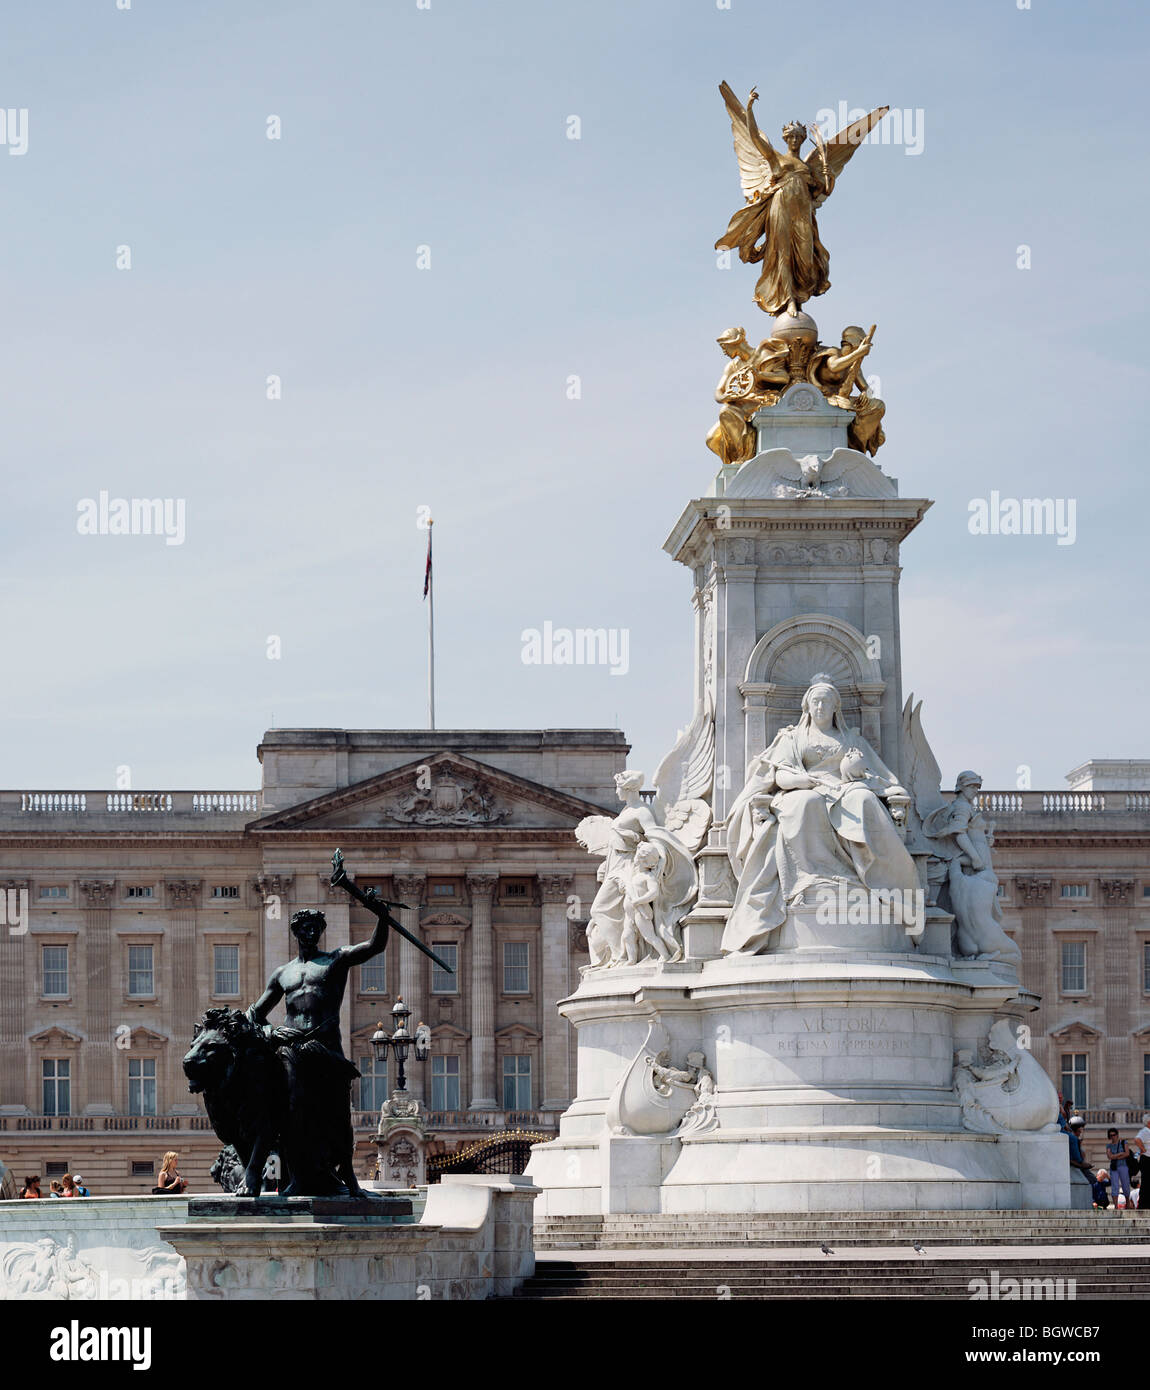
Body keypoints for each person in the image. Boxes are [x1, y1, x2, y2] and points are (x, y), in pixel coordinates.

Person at [1106, 1128, 1134, 1208]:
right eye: (1111, 1135)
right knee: (1114, 1186)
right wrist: (1120, 1154)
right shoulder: (1109, 1146)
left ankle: (1128, 1204)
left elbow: (1127, 1153)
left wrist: (1115, 1156)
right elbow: (1109, 1156)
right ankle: (1115, 1206)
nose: (1112, 1137)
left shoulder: (1123, 1142)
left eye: (1114, 1135)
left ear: (1117, 1135)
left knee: (1125, 1185)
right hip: (1114, 1168)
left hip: (1124, 1166)